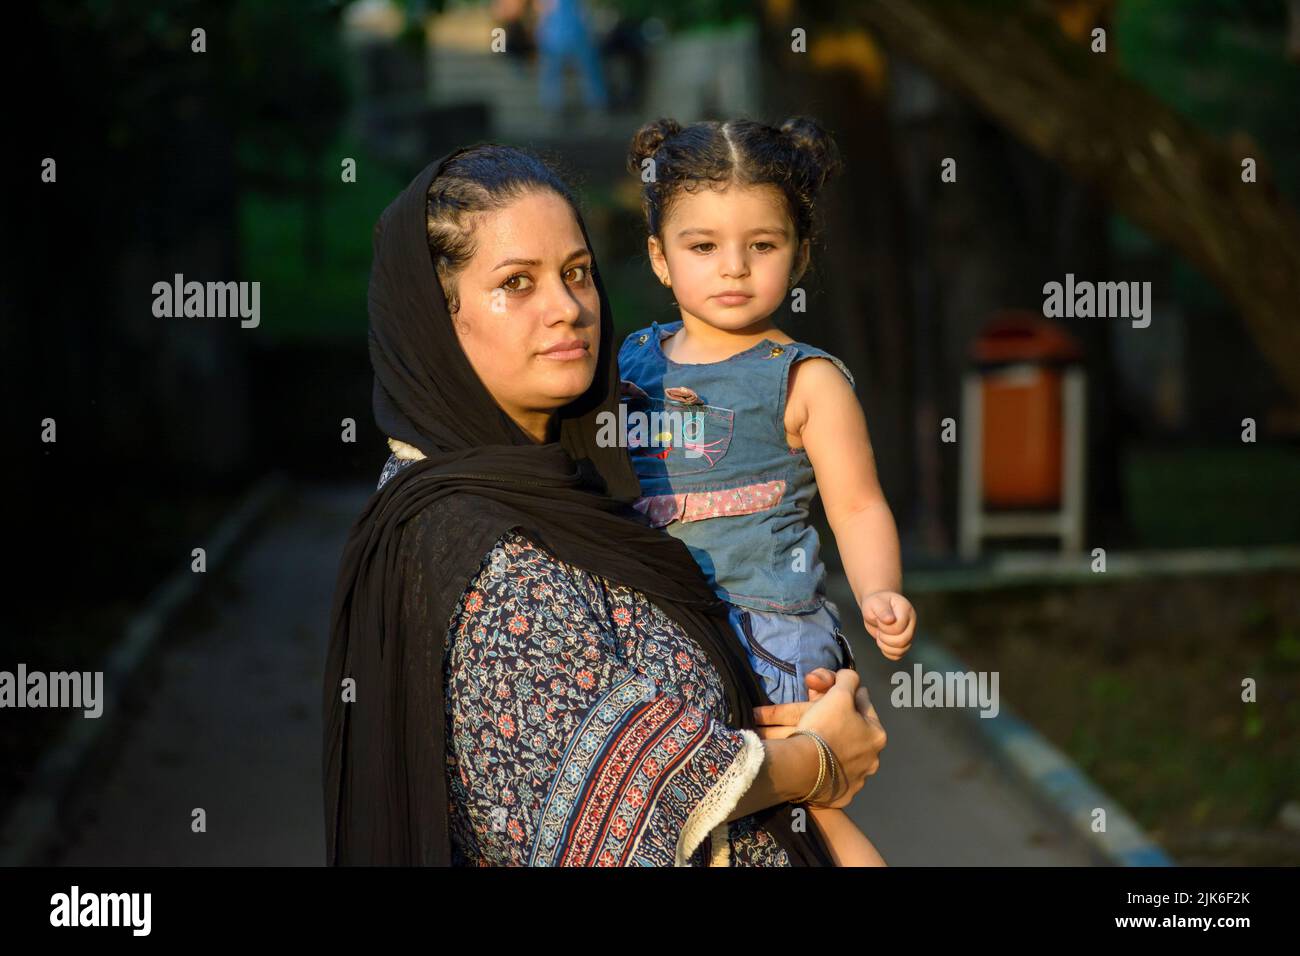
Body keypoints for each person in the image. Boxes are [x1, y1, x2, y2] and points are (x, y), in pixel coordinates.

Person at [322, 143, 888, 866]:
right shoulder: (464, 536)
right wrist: (815, 759)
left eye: (577, 273)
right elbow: (598, 797)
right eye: (517, 282)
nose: (567, 309)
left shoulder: (580, 488)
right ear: (435, 316)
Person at [617, 116, 918, 865]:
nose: (734, 269)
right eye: (702, 246)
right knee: (691, 808)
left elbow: (857, 502)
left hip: (770, 631)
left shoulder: (803, 377)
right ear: (659, 257)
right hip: (662, 617)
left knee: (805, 810)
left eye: (763, 245)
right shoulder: (630, 362)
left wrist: (881, 589)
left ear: (800, 253)